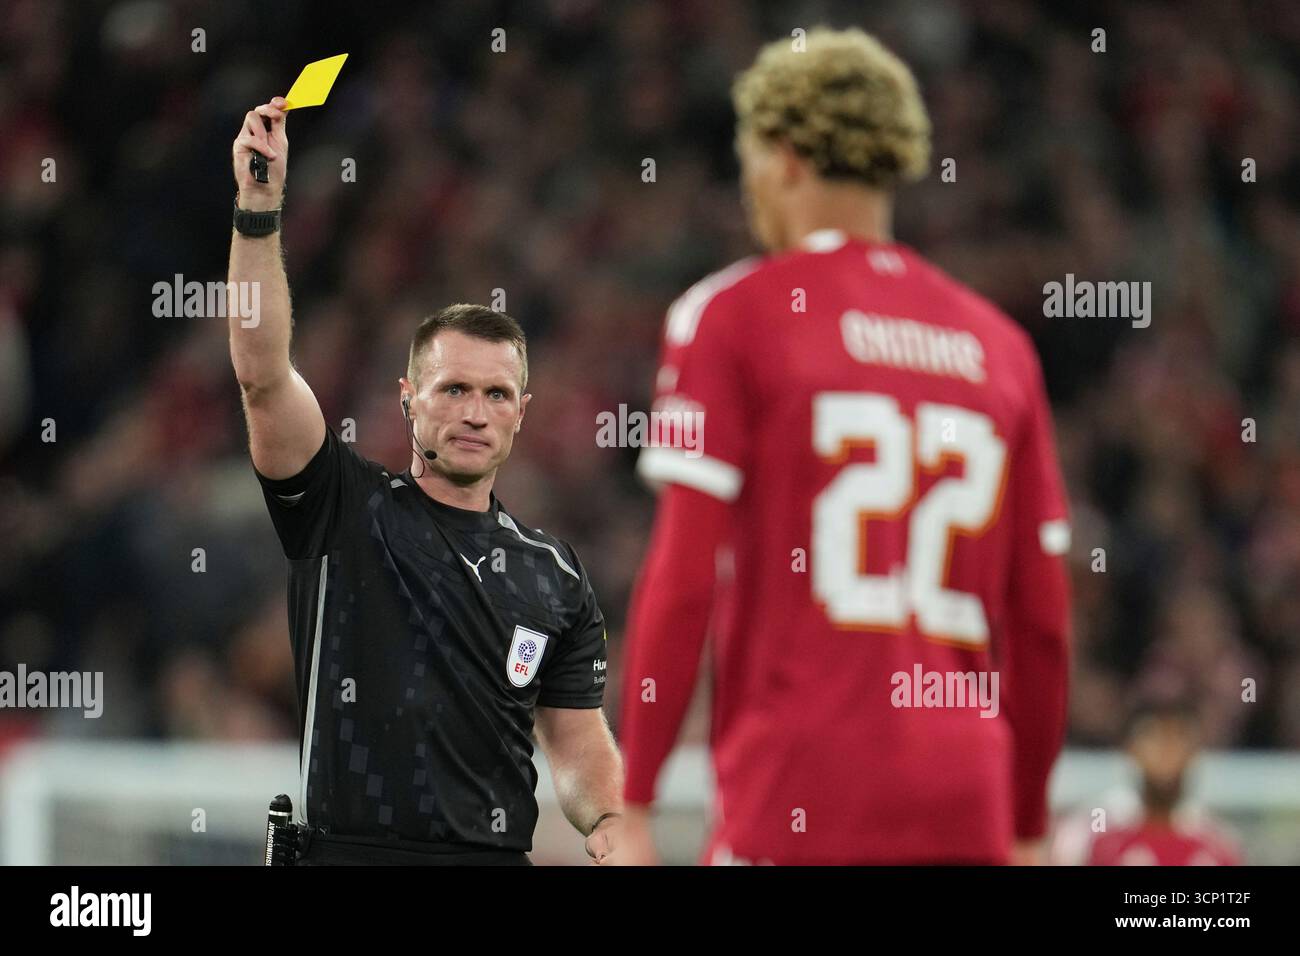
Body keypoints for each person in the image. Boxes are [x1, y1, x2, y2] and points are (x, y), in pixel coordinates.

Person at [615, 28, 1071, 865]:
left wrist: (636, 798)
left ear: (784, 157)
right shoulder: (1003, 348)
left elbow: (683, 576)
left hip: (799, 793)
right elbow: (1042, 622)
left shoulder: (731, 315)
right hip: (967, 798)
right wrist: (1031, 822)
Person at [227, 97, 622, 865]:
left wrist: (609, 823)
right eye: (452, 390)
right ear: (408, 401)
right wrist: (258, 208)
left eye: (496, 395)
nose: (475, 413)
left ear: (521, 414)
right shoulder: (342, 506)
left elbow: (575, 743)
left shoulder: (556, 575)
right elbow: (262, 376)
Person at [1083, 700, 1240, 866]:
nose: (1167, 752)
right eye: (1155, 738)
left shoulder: (1218, 844)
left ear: (1194, 753)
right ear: (1131, 750)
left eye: (1178, 738)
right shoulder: (1093, 833)